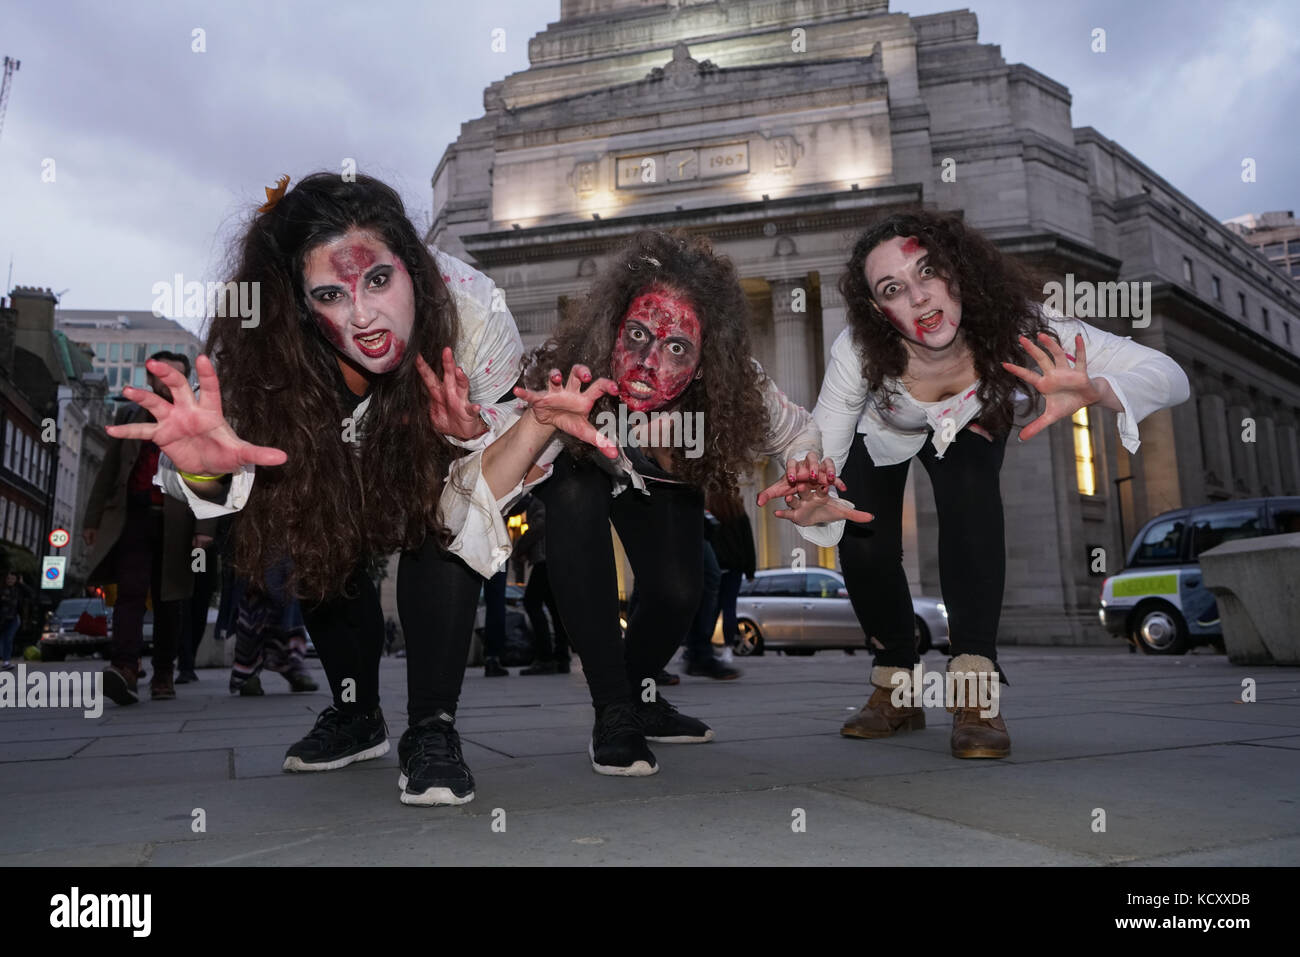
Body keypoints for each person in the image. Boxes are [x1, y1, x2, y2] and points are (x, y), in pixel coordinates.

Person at [107, 172, 619, 804]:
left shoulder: (472, 311)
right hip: (330, 457)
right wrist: (204, 469)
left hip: (428, 453)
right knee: (311, 517)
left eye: (378, 281)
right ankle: (356, 712)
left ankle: (432, 726)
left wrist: (484, 434)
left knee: (445, 514)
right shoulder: (267, 349)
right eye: (330, 294)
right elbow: (206, 483)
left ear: (413, 268)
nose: (363, 315)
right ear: (300, 304)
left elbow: (487, 493)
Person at [772, 210, 1190, 758]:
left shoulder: (1026, 323)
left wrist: (1099, 389)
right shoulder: (857, 349)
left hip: (971, 421)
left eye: (928, 271)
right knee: (863, 537)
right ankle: (896, 685)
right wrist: (814, 486)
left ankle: (974, 690)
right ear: (878, 309)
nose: (919, 296)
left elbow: (1170, 375)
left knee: (971, 503)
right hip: (883, 430)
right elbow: (822, 446)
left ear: (959, 269)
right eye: (893, 288)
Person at [525, 229, 860, 777]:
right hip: (585, 466)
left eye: (677, 348)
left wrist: (805, 470)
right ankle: (613, 709)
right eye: (637, 335)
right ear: (615, 325)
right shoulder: (572, 364)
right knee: (574, 496)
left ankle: (640, 694)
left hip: (662, 479)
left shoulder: (737, 383)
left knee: (681, 589)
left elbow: (797, 430)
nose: (646, 363)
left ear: (704, 362)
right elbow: (508, 451)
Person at [83, 351, 215, 703]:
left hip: (177, 522)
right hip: (134, 518)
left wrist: (204, 527)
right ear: (152, 379)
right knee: (130, 592)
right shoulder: (129, 415)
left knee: (169, 599)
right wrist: (92, 519)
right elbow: (109, 470)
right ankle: (124, 668)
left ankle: (163, 673)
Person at [514, 495, 571, 675]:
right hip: (555, 559)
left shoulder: (539, 498)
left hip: (545, 560)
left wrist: (519, 548)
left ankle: (546, 658)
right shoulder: (550, 496)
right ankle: (561, 658)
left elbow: (540, 525)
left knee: (531, 602)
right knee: (555, 608)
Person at [707, 489, 756, 659]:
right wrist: (750, 570)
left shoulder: (710, 513)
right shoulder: (739, 514)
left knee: (711, 609)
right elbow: (748, 543)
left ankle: (705, 647)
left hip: (714, 566)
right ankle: (728, 648)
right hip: (734, 568)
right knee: (729, 608)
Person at [1, 570, 34, 671]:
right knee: (2, 640)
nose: (10, 580)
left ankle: (6, 661)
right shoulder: (2, 589)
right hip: (2, 618)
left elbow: (30, 593)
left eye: (13, 579)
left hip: (13, 618)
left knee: (8, 639)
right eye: (8, 578)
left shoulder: (18, 590)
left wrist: (22, 583)